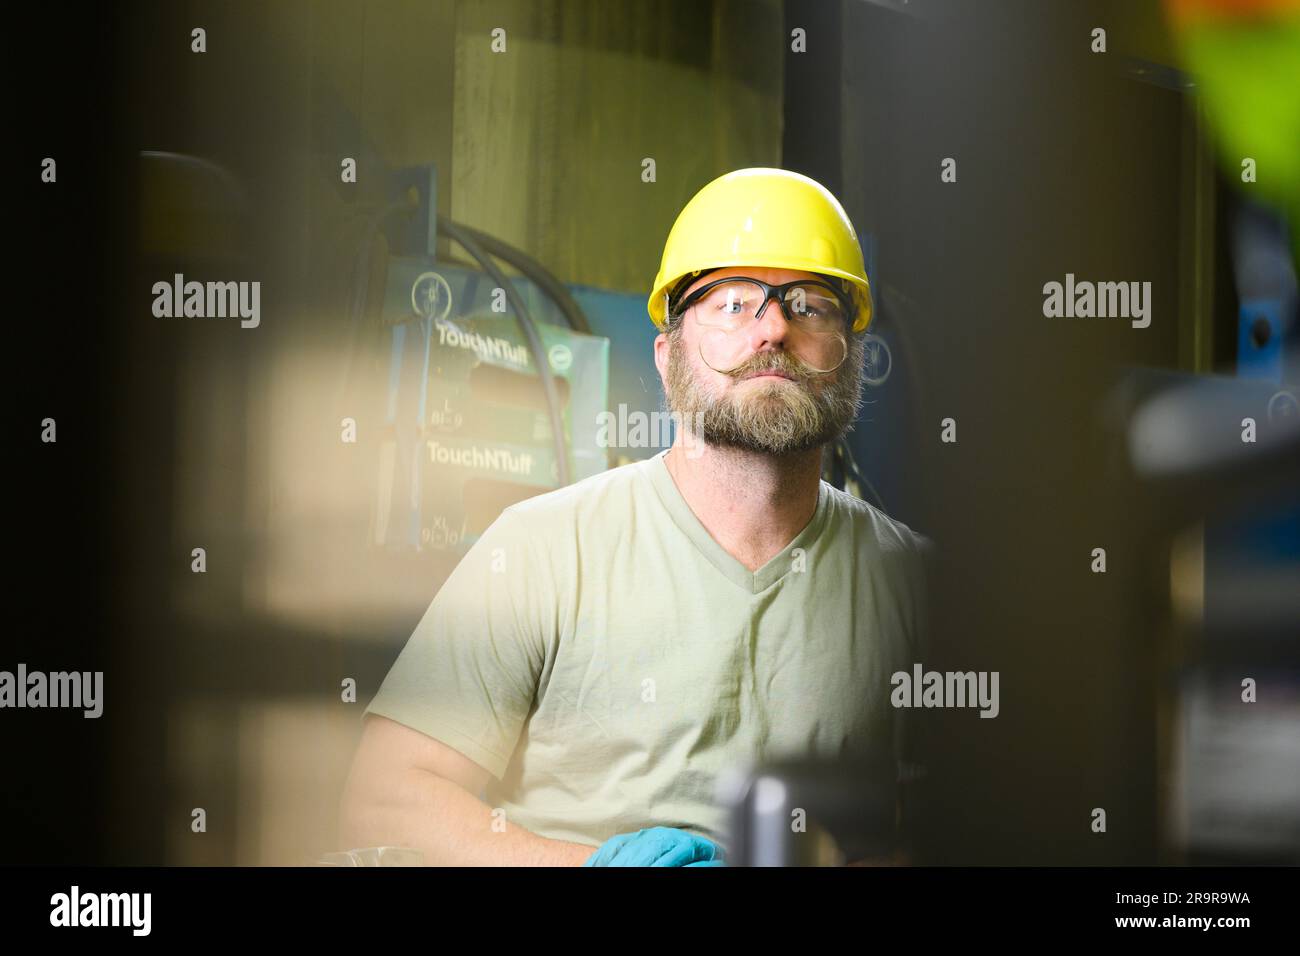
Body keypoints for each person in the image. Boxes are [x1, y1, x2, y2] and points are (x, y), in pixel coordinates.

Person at [338, 167, 932, 866]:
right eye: (734, 303)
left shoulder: (915, 586)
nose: (774, 327)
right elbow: (384, 797)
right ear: (667, 353)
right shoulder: (542, 551)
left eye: (810, 306)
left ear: (852, 358)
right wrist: (589, 868)